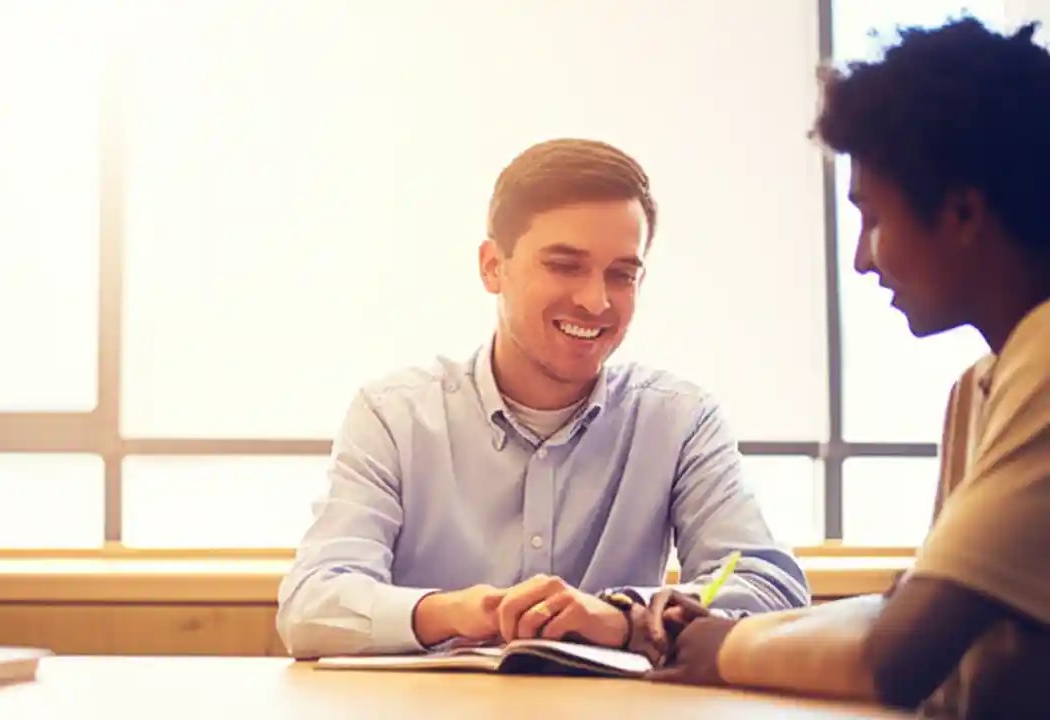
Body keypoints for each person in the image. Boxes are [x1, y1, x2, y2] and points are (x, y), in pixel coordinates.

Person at [647, 19, 1050, 718]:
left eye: (871, 219)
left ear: (961, 210)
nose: (863, 258)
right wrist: (722, 633)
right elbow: (912, 608)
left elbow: (895, 658)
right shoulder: (984, 384)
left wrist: (722, 653)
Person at [276, 138, 808, 660]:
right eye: (564, 265)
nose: (596, 301)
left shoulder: (679, 420)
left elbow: (770, 590)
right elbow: (313, 605)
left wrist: (624, 619)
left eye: (621, 274)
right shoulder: (394, 415)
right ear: (492, 267)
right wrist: (465, 611)